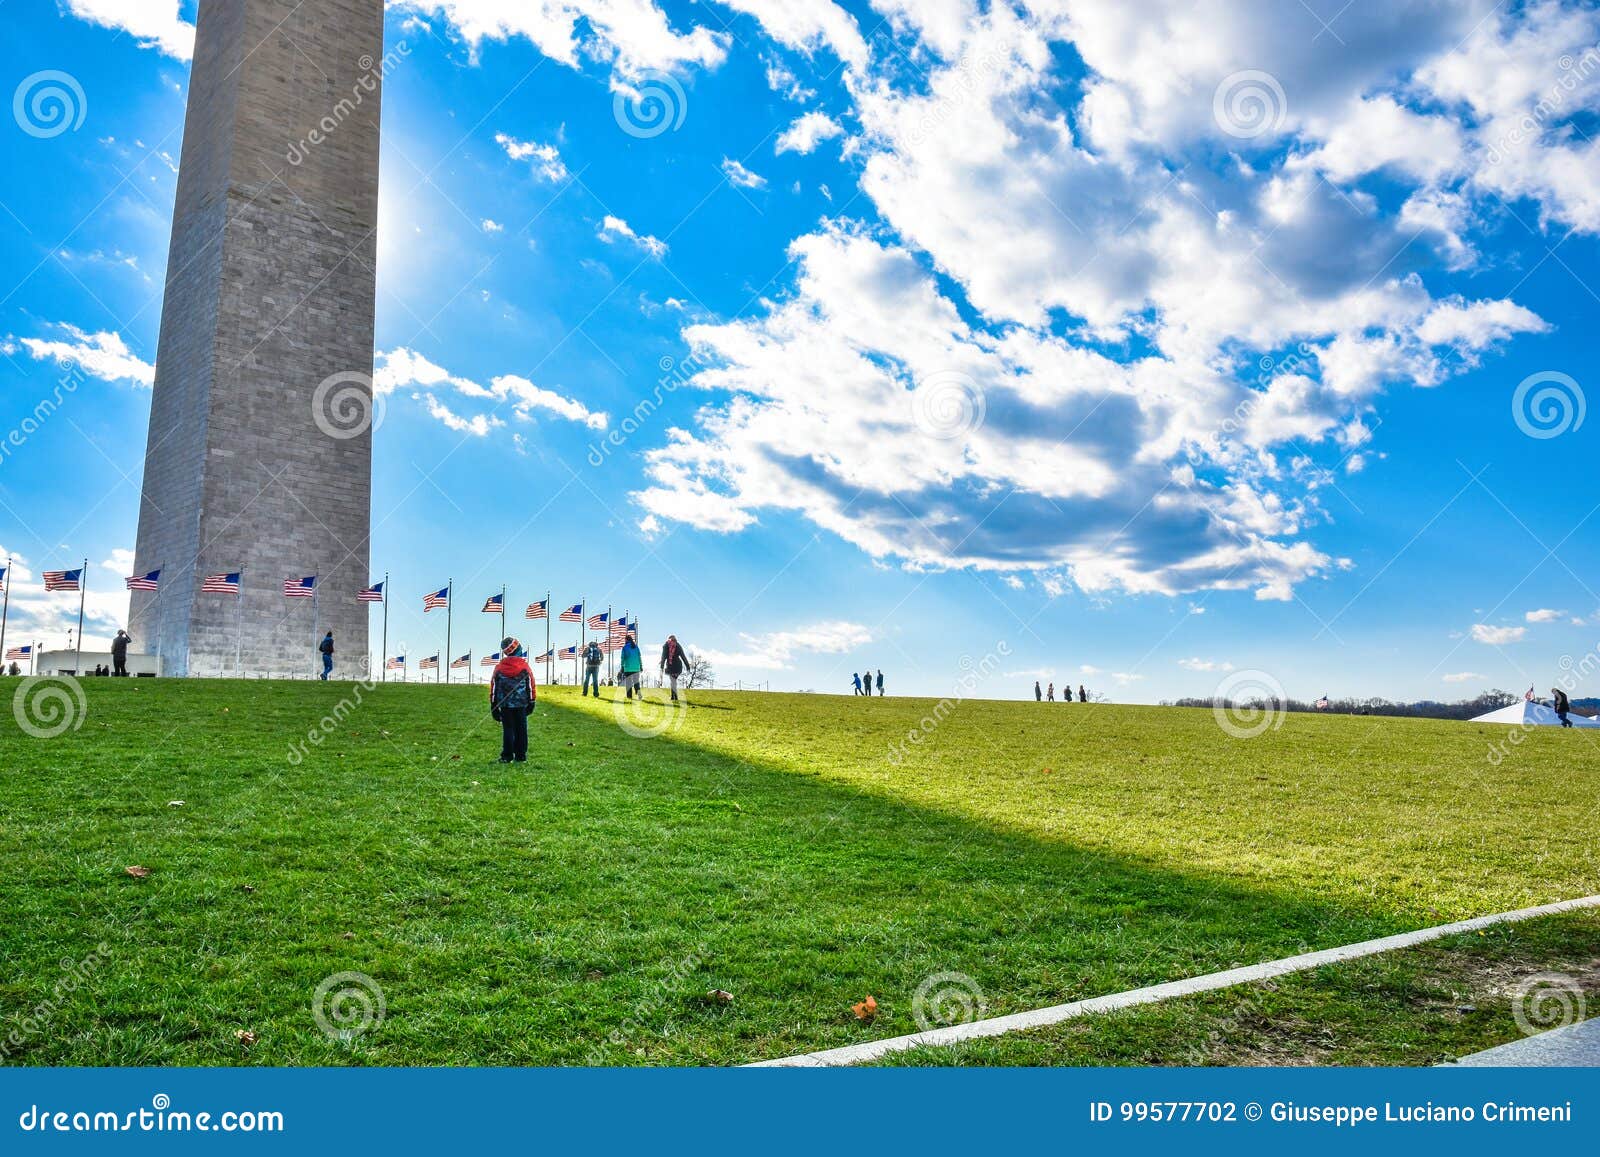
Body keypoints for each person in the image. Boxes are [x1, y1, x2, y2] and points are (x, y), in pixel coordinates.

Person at [489, 637, 536, 763]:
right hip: (521, 704)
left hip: (505, 705)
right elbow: (531, 685)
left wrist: (493, 705)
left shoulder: (499, 667)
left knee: (508, 729)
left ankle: (507, 755)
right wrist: (532, 701)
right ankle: (521, 755)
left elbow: (493, 686)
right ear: (517, 650)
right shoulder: (525, 666)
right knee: (522, 729)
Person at [660, 634, 690, 702]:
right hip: (678, 666)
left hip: (670, 666)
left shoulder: (666, 645)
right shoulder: (678, 645)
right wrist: (687, 666)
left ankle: (673, 696)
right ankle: (674, 696)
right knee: (674, 681)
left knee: (672, 681)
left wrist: (661, 666)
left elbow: (663, 657)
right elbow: (683, 656)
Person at [619, 633, 645, 699]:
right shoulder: (636, 647)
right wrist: (641, 666)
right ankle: (639, 693)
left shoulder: (625, 647)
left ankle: (629, 697)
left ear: (626, 640)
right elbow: (639, 657)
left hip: (628, 667)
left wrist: (622, 666)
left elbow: (622, 658)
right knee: (636, 682)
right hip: (636, 667)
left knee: (628, 683)